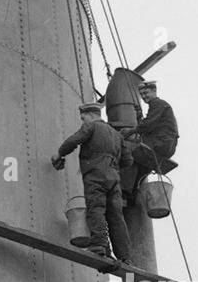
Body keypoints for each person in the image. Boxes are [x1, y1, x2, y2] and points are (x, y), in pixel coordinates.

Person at [50, 102, 132, 264]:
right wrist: (112, 165)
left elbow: (73, 141)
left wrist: (58, 154)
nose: (83, 121)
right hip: (114, 178)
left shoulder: (92, 127)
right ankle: (124, 256)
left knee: (96, 208)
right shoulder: (116, 135)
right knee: (116, 216)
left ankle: (100, 244)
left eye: (83, 118)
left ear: (91, 116)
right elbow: (128, 160)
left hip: (96, 175)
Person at [130, 79, 179, 186]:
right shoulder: (156, 106)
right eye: (141, 94)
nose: (143, 96)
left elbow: (147, 125)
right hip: (164, 145)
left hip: (161, 143)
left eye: (146, 93)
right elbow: (149, 125)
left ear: (154, 91)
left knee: (128, 149)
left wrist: (130, 131)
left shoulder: (158, 104)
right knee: (141, 169)